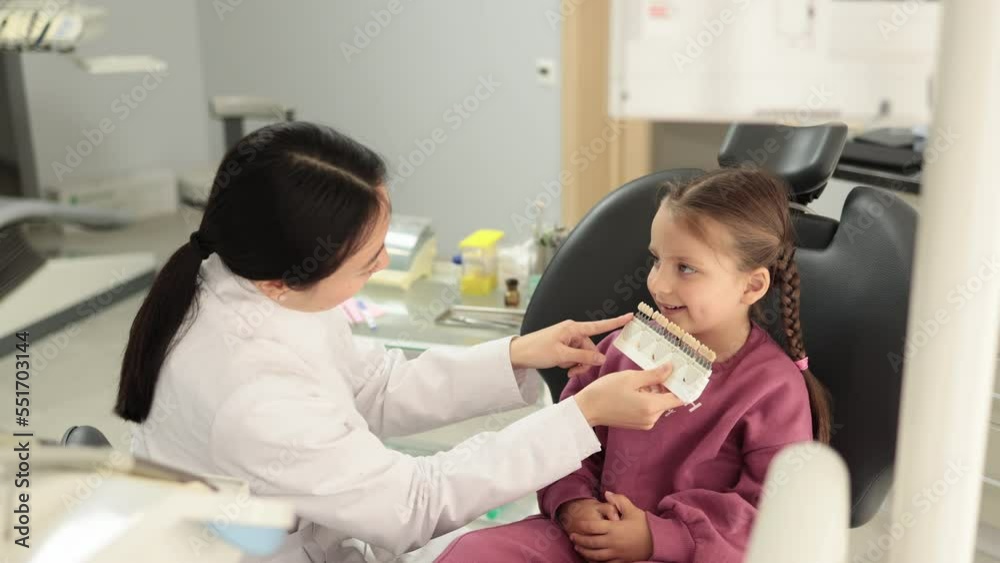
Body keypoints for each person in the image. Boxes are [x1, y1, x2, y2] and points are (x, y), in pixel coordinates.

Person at [114, 121, 684, 563]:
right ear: (283, 276)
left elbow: (374, 386)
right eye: (367, 261)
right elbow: (414, 504)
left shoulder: (248, 281)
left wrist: (517, 354)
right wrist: (579, 417)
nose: (385, 261)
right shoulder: (253, 395)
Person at [434, 168, 833, 563]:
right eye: (657, 260)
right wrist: (573, 504)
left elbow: (769, 518)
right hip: (583, 541)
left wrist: (657, 538)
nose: (658, 284)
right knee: (474, 553)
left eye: (686, 268)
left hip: (693, 555)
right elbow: (563, 438)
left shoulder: (774, 389)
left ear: (752, 286)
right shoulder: (625, 350)